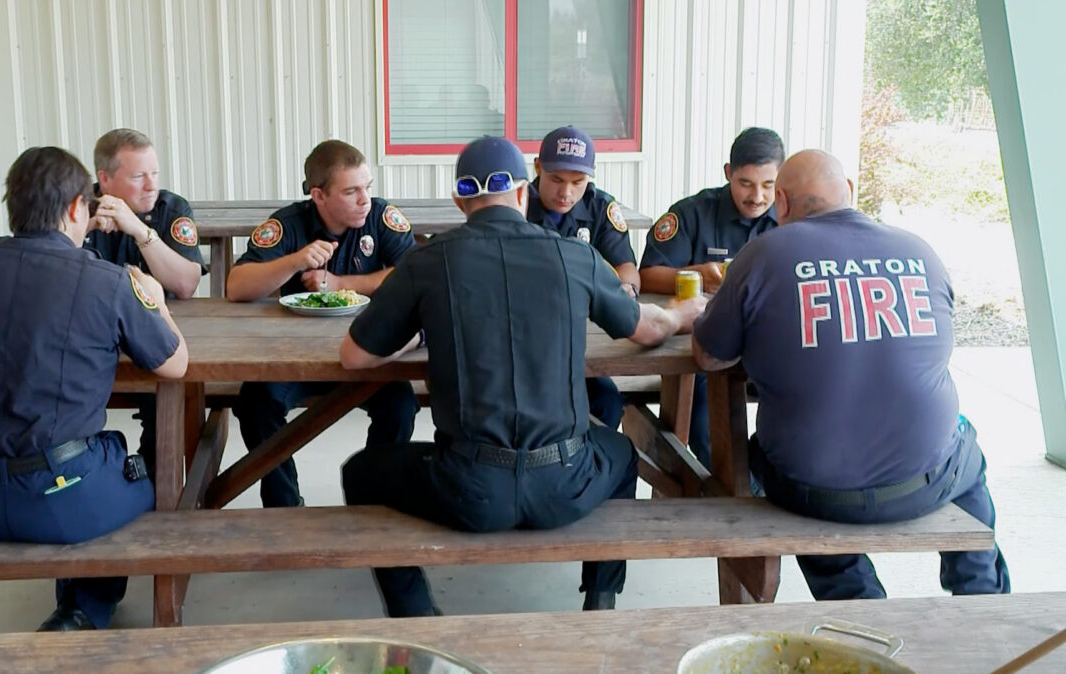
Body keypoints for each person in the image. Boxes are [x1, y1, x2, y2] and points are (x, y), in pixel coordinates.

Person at [338, 136, 708, 617]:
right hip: (565, 483)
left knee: (360, 473)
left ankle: (419, 618)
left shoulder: (426, 261)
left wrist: (421, 332)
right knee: (621, 453)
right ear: (522, 194)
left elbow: (354, 355)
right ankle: (600, 597)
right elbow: (646, 328)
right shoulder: (576, 257)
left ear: (459, 201)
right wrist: (683, 313)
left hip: (469, 491)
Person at [691, 149, 1010, 600]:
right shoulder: (919, 251)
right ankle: (981, 598)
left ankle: (858, 605)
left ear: (780, 202)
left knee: (787, 470)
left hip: (813, 488)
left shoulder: (761, 256)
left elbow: (708, 357)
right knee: (967, 452)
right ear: (850, 193)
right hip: (926, 477)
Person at [0, 146, 189, 631]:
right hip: (63, 500)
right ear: (76, 207)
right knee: (136, 473)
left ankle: (76, 600)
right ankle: (82, 609)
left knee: (75, 464)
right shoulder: (106, 281)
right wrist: (156, 302)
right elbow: (175, 364)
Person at [226, 140, 419, 508]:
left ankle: (374, 498)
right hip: (294, 356)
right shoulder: (288, 224)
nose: (365, 199)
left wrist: (343, 284)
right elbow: (236, 287)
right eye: (351, 191)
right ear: (319, 195)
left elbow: (413, 275)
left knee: (401, 406)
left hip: (366, 352)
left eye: (368, 187)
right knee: (255, 404)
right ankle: (283, 507)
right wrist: (294, 261)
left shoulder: (381, 218)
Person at [639, 127, 785, 468]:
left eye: (768, 185)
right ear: (727, 174)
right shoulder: (693, 213)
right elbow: (648, 273)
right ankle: (725, 490)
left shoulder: (792, 216)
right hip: (707, 345)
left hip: (774, 344)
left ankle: (766, 482)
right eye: (746, 183)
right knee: (706, 401)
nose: (758, 197)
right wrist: (698, 274)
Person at [85, 128, 207, 467]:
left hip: (153, 335)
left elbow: (186, 285)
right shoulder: (77, 208)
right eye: (139, 176)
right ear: (105, 179)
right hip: (89, 340)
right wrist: (85, 228)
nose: (151, 185)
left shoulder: (171, 207)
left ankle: (156, 480)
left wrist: (141, 232)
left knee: (167, 399)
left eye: (155, 173)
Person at [526, 125, 639, 430]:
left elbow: (627, 267)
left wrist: (626, 289)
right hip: (526, 342)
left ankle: (586, 475)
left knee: (608, 407)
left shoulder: (600, 207)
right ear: (537, 167)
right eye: (556, 180)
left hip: (582, 341)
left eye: (578, 182)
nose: (566, 193)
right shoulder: (516, 205)